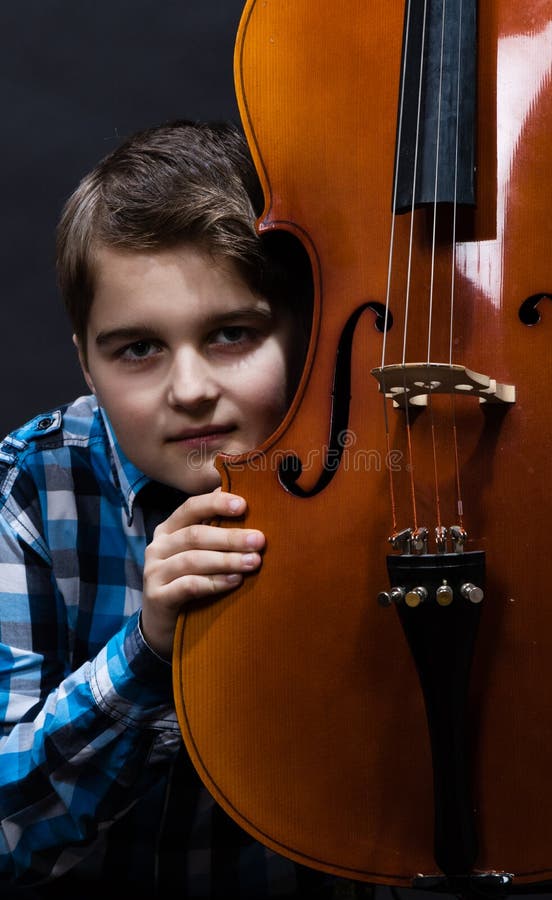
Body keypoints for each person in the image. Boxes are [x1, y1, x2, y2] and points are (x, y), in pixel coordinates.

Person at [0, 119, 363, 899]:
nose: (191, 390)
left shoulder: (379, 465)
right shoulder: (28, 490)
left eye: (231, 334)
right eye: (138, 349)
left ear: (304, 327)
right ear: (86, 362)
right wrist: (147, 651)